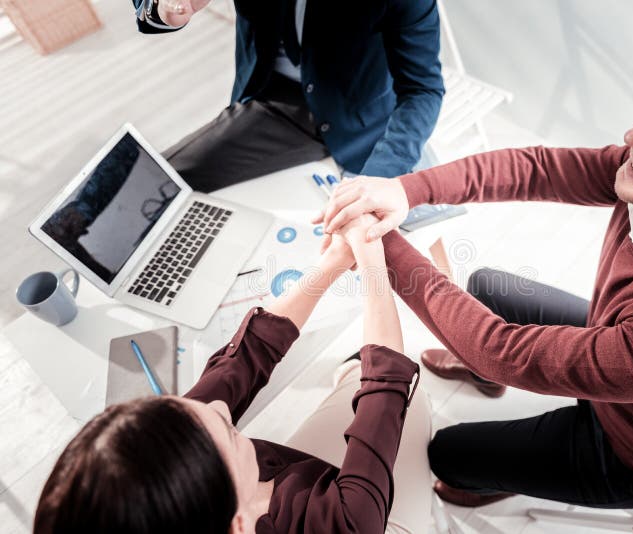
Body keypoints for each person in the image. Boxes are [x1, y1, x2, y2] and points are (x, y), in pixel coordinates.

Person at [315, 26, 633, 509]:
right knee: (487, 285)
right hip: (624, 342)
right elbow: (537, 168)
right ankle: (503, 416)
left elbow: (498, 351)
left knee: (447, 454)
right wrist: (406, 191)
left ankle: (503, 476)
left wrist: (383, 244)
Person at [33, 218, 433, 533]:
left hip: (307, 482)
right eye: (229, 429)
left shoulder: (183, 457)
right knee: (413, 400)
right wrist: (371, 263)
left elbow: (248, 356)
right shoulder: (344, 524)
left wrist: (334, 260)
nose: (218, 407)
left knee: (353, 384)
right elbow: (386, 385)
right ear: (238, 524)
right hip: (376, 518)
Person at [131, 0, 444, 193]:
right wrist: (164, 8)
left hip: (358, 125)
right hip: (266, 97)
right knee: (155, 183)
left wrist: (378, 178)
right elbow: (149, 4)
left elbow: (423, 89)